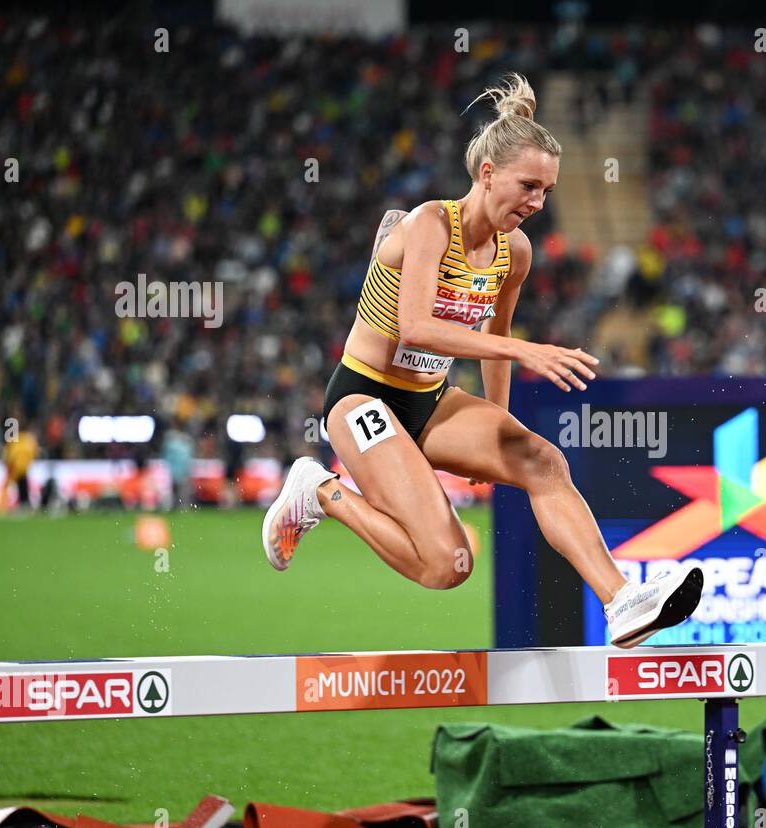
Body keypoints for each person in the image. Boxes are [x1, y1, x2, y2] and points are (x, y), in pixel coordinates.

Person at [261, 74, 702, 649]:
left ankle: (620, 602)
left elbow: (497, 331)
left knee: (543, 461)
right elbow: (416, 326)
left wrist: (495, 422)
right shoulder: (428, 225)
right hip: (364, 398)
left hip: (432, 402)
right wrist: (522, 350)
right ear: (487, 173)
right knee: (448, 565)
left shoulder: (513, 252)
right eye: (528, 186)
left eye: (546, 191)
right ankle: (320, 491)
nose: (538, 203)